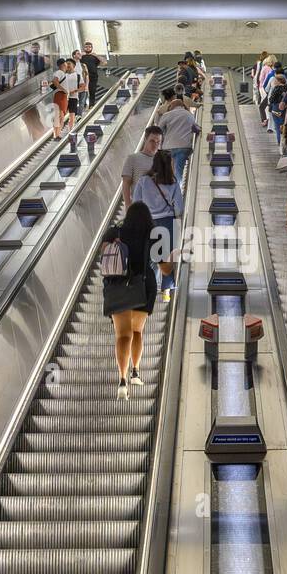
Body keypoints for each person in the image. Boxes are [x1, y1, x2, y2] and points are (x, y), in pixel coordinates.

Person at [103, 201, 157, 401]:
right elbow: (162, 262)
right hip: (143, 286)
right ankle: (135, 372)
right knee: (137, 332)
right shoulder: (152, 234)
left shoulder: (114, 231)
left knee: (122, 336)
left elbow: (104, 256)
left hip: (117, 287)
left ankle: (122, 381)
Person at [134, 149, 184, 302]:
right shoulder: (173, 183)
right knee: (166, 258)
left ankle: (148, 289)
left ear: (154, 163)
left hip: (148, 223)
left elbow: (136, 203)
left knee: (150, 258)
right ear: (169, 165)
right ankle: (166, 292)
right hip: (167, 223)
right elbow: (179, 208)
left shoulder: (143, 181)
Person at [154, 90, 197, 186]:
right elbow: (195, 128)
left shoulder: (166, 115)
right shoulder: (190, 115)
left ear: (171, 106)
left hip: (168, 147)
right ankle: (178, 188)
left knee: (168, 170)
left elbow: (159, 130)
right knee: (178, 170)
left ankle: (168, 188)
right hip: (184, 146)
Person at [121, 125, 163, 207]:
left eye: (158, 142)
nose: (155, 145)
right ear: (145, 139)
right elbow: (126, 183)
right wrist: (128, 205)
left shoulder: (163, 160)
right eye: (152, 141)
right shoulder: (132, 158)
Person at [268, 69, 287, 144]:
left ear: (279, 81)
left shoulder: (276, 88)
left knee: (277, 126)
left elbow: (271, 99)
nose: (274, 81)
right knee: (284, 124)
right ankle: (286, 141)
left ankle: (279, 141)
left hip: (276, 108)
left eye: (275, 80)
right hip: (286, 107)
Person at [82, 41, 103, 109]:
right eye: (86, 47)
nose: (88, 48)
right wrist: (80, 55)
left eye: (89, 47)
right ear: (84, 48)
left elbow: (104, 62)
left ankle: (91, 105)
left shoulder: (94, 57)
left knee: (92, 91)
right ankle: (83, 105)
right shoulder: (81, 57)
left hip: (93, 76)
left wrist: (96, 55)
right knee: (83, 91)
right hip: (84, 77)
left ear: (92, 48)